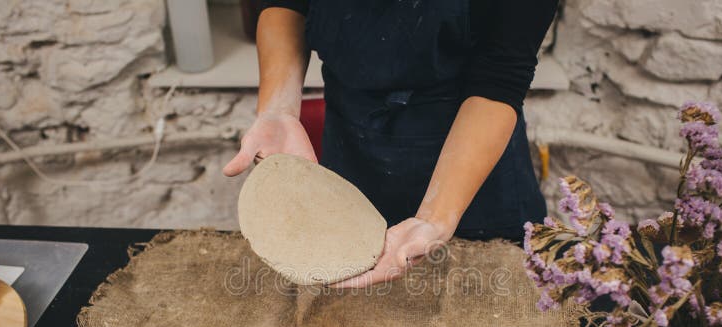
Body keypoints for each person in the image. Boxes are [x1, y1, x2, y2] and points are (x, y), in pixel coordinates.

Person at [224, 1, 559, 288]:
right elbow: (286, 4)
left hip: (474, 172)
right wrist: (278, 108)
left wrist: (436, 216)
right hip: (352, 152)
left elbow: (500, 75)